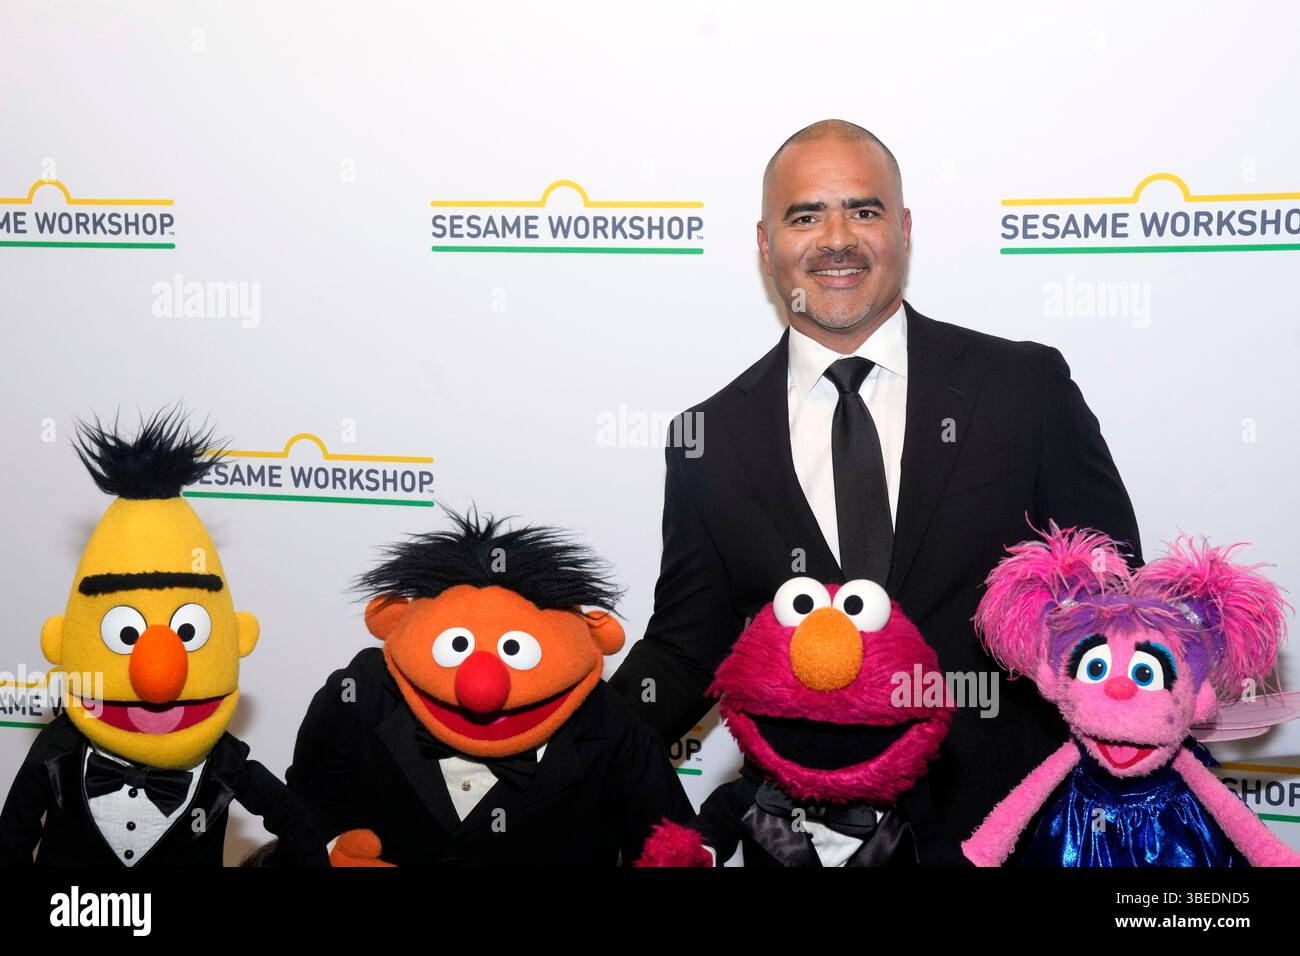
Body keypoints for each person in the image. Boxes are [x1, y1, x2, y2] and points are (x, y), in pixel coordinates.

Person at [609, 119, 1142, 843]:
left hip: (1008, 832)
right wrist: (563, 739)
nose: (836, 239)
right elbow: (685, 647)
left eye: (864, 210)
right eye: (805, 216)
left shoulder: (1024, 387)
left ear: (904, 229)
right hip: (803, 837)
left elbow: (1112, 602)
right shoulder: (707, 438)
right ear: (767, 244)